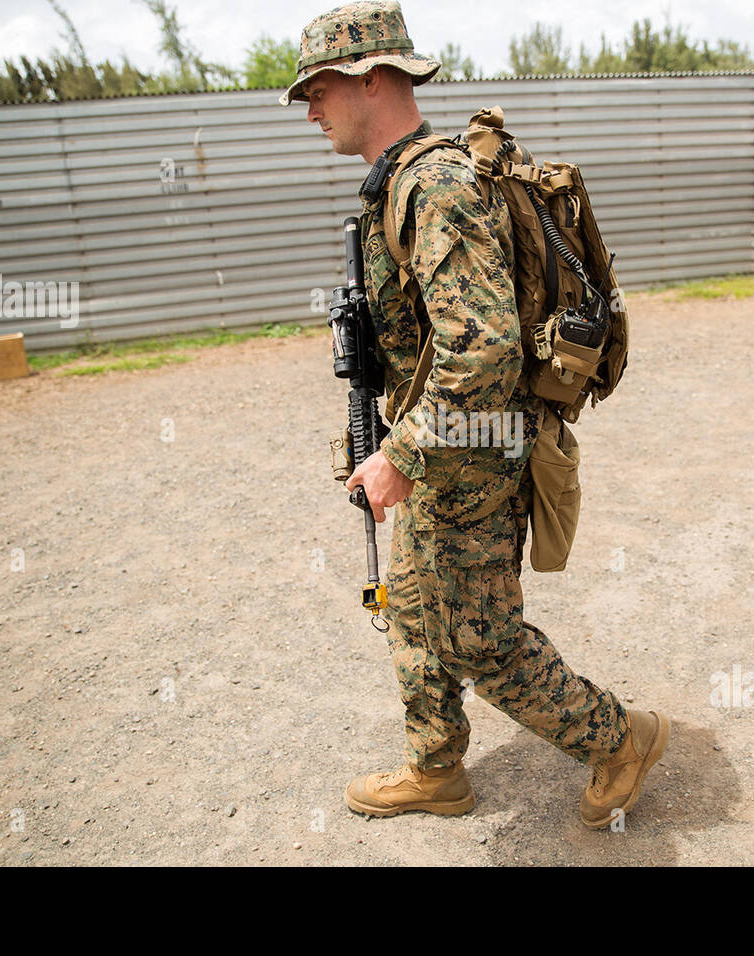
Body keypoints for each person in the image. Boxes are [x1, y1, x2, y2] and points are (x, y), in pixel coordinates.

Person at [282, 0, 667, 829]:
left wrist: (403, 454)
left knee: (478, 637)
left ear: (371, 79)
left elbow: (484, 348)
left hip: (473, 449)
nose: (309, 108)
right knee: (414, 603)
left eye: (318, 88)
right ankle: (435, 767)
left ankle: (619, 739)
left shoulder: (436, 185)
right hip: (442, 441)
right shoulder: (406, 180)